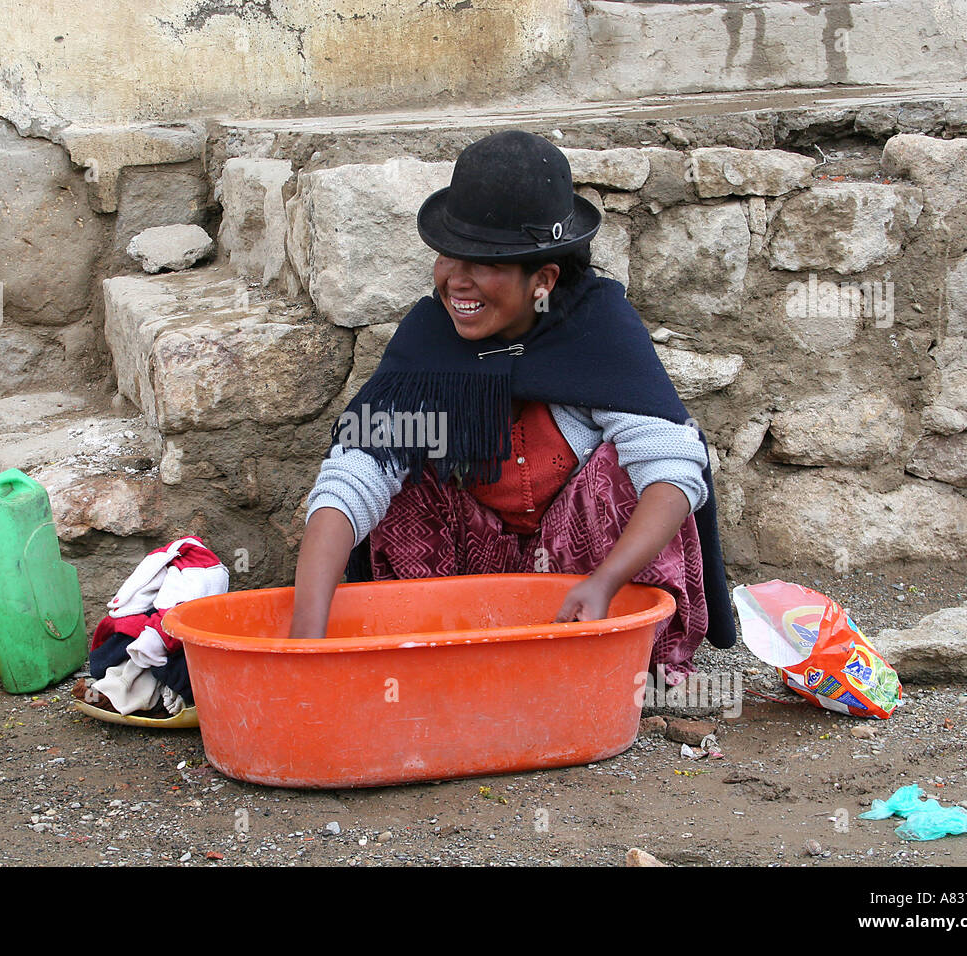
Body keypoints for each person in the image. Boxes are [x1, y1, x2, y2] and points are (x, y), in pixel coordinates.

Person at [289, 130, 736, 682]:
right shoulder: (428, 343)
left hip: (584, 579)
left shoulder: (598, 330)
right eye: (449, 256)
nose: (457, 280)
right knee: (397, 471)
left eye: (485, 264)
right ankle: (435, 661)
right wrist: (303, 643)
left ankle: (637, 664)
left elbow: (673, 469)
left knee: (630, 470)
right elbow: (350, 481)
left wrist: (604, 583)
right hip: (471, 583)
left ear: (543, 279)